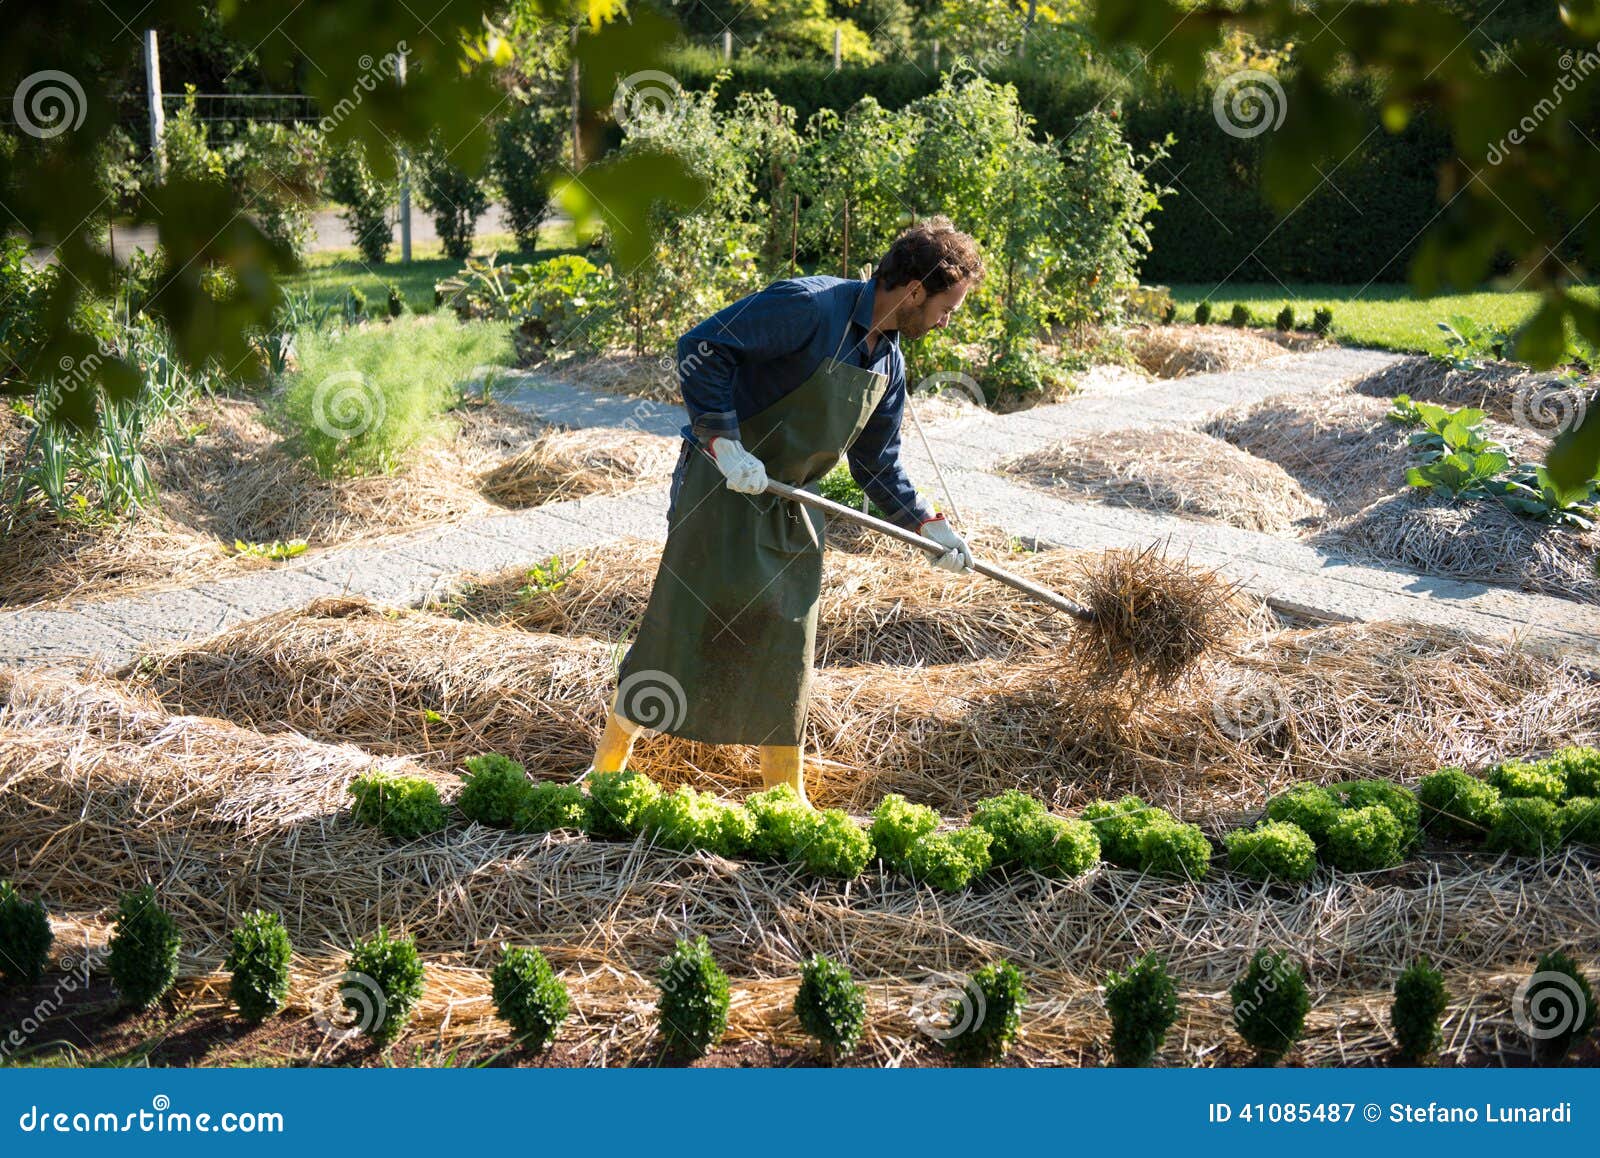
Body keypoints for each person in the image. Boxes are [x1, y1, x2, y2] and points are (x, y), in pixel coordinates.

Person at [588, 216, 985, 805]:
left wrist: (929, 525)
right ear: (914, 290)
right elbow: (702, 347)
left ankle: (784, 796)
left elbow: (877, 465)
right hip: (720, 486)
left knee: (786, 644)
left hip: (791, 504)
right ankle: (605, 768)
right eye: (946, 307)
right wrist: (724, 443)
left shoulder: (889, 363)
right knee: (682, 625)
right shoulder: (807, 307)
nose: (947, 320)